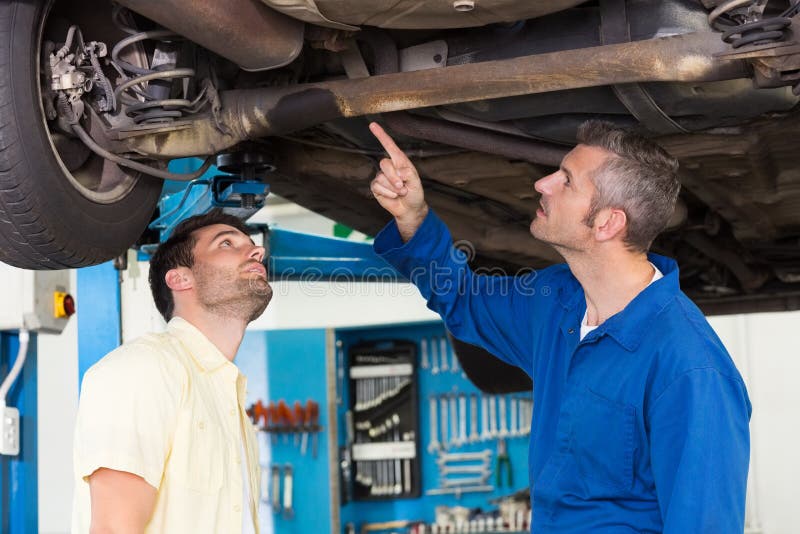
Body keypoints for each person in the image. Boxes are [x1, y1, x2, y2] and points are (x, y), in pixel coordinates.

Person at [368, 120, 751, 533]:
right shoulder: (555, 302)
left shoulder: (691, 369)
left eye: (565, 181)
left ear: (608, 223)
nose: (542, 184)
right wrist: (414, 216)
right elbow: (462, 297)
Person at [72, 210, 272, 534]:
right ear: (180, 279)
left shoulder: (228, 404)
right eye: (226, 243)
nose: (257, 251)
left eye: (252, 245)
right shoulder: (142, 370)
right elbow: (113, 529)